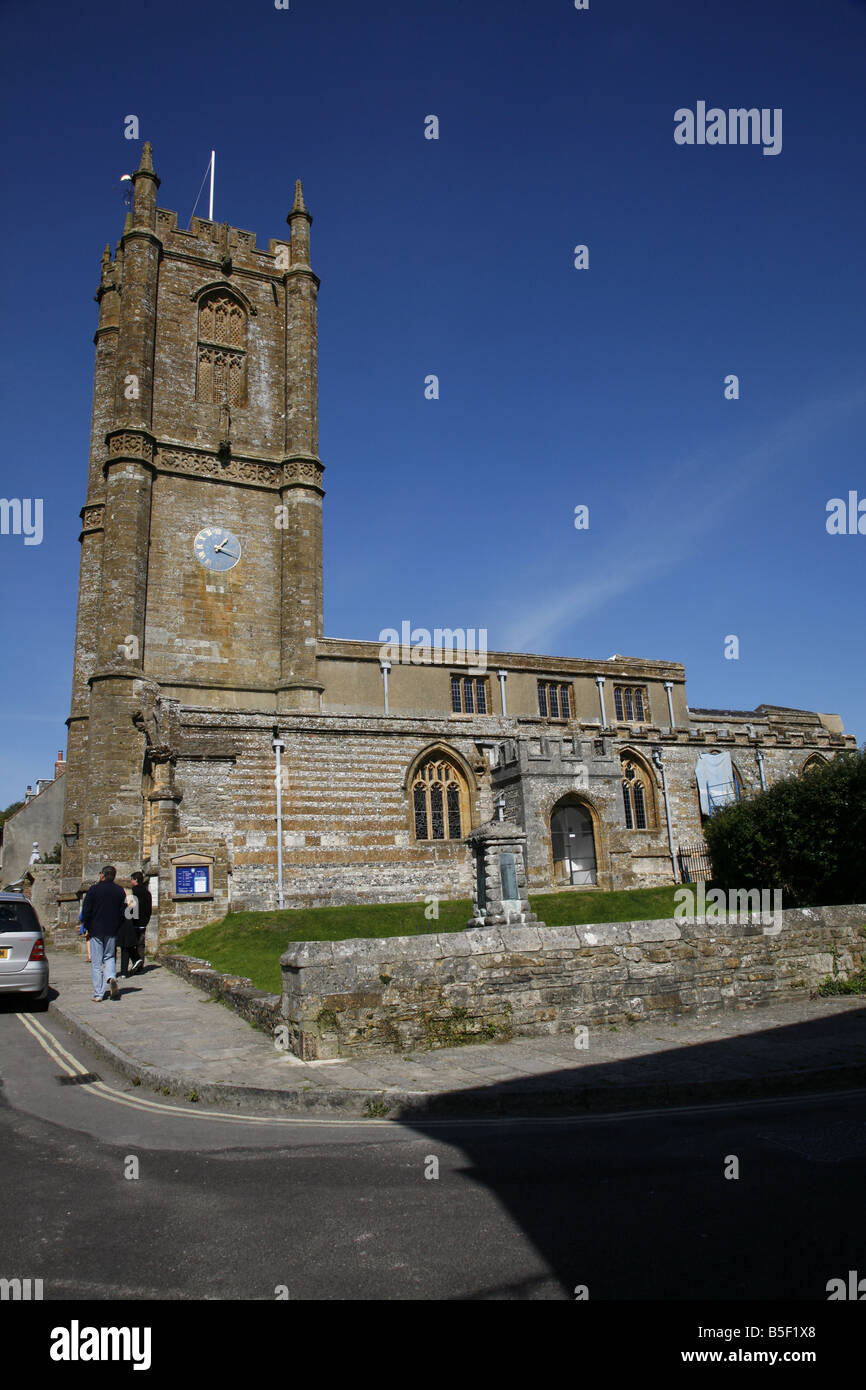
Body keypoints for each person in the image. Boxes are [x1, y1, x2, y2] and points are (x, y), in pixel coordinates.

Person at [80, 865, 126, 1001]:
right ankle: (111, 977)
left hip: (96, 929)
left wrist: (86, 925)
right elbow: (124, 912)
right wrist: (118, 925)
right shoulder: (119, 891)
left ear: (102, 875)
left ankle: (99, 994)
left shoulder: (94, 890)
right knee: (109, 956)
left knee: (96, 962)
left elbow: (86, 910)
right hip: (112, 929)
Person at [130, 871, 152, 970]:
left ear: (136, 880)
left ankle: (136, 961)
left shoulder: (133, 892)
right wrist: (146, 920)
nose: (130, 881)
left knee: (131, 944)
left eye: (132, 879)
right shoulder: (147, 892)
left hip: (134, 921)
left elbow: (131, 908)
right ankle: (140, 965)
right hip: (143, 922)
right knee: (141, 945)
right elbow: (149, 909)